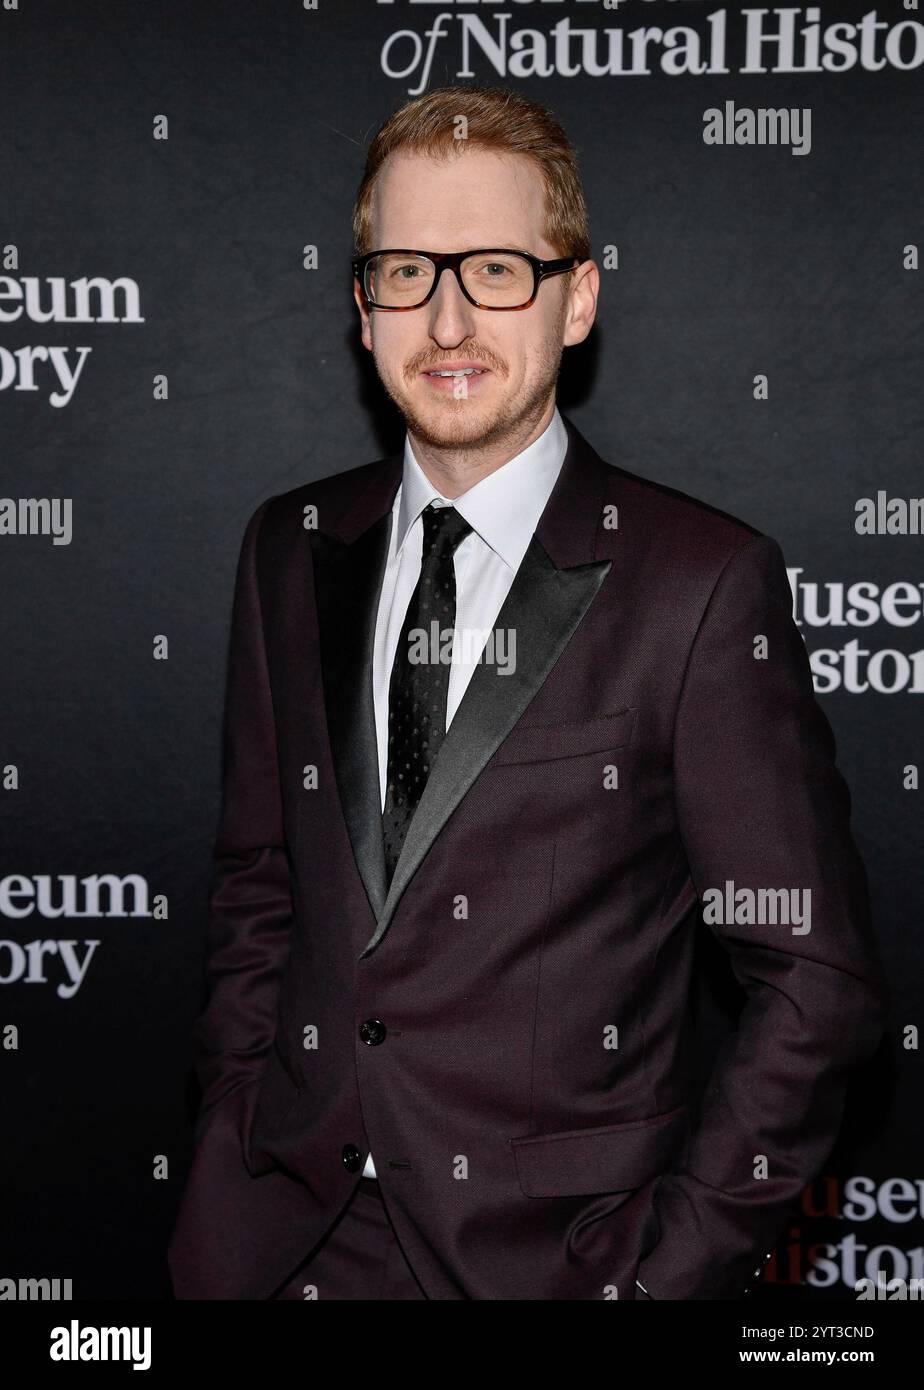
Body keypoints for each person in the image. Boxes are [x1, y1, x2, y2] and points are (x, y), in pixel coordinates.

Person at [167, 83, 889, 1301]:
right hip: (276, 1251)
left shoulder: (701, 585)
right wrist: (235, 1135)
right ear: (362, 304)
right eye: (405, 271)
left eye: (497, 267)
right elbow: (262, 888)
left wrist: (657, 1277)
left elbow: (818, 988)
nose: (448, 319)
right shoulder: (284, 548)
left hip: (548, 1270)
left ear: (579, 295)